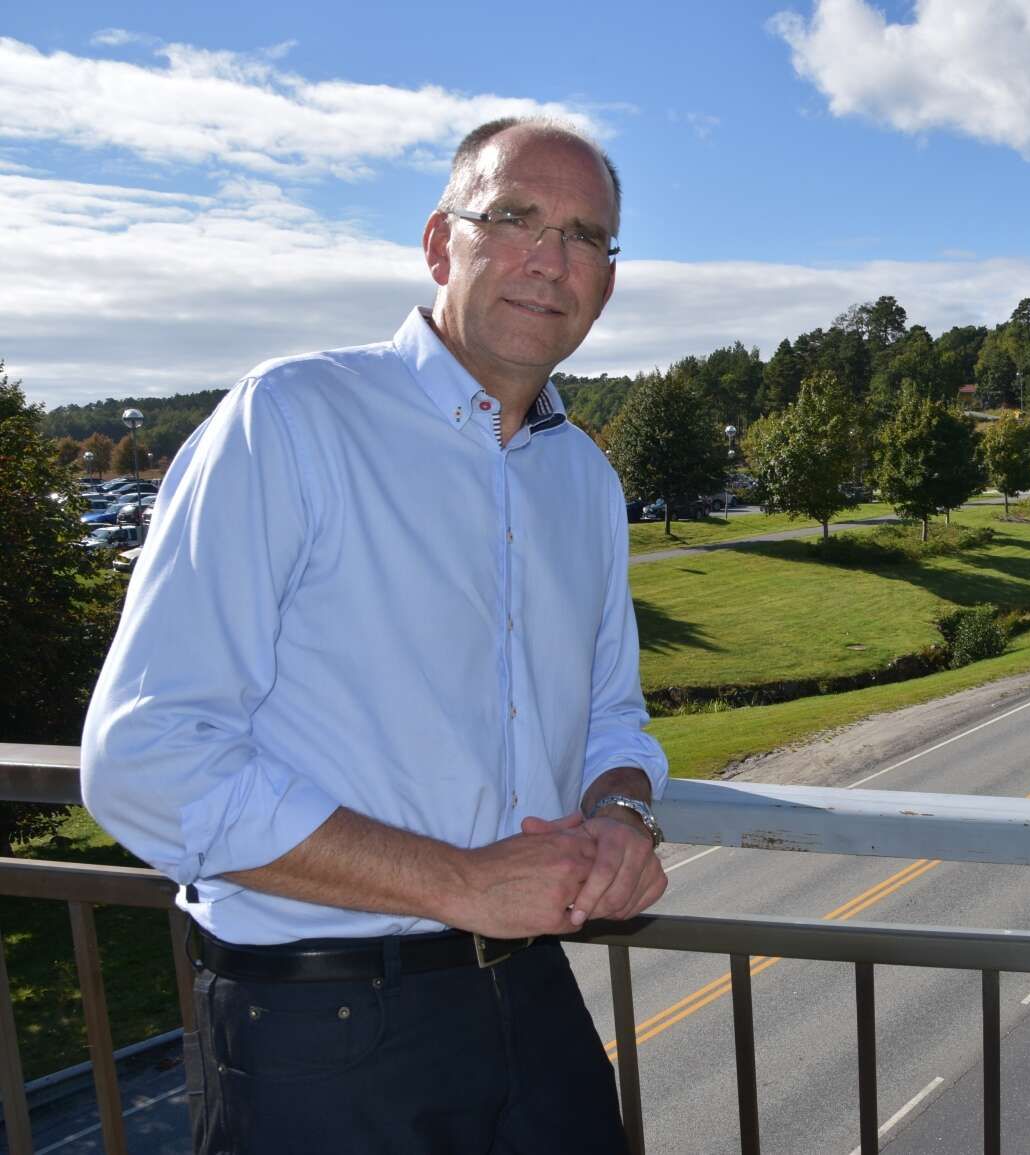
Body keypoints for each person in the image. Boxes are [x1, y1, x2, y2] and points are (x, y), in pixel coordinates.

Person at [81, 118, 665, 1154]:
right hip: (319, 1035)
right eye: (516, 218)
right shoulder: (293, 419)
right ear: (443, 244)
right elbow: (146, 759)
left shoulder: (583, 477)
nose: (551, 258)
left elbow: (612, 712)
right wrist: (459, 882)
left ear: (606, 282)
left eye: (585, 236)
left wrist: (622, 815)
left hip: (530, 1000)